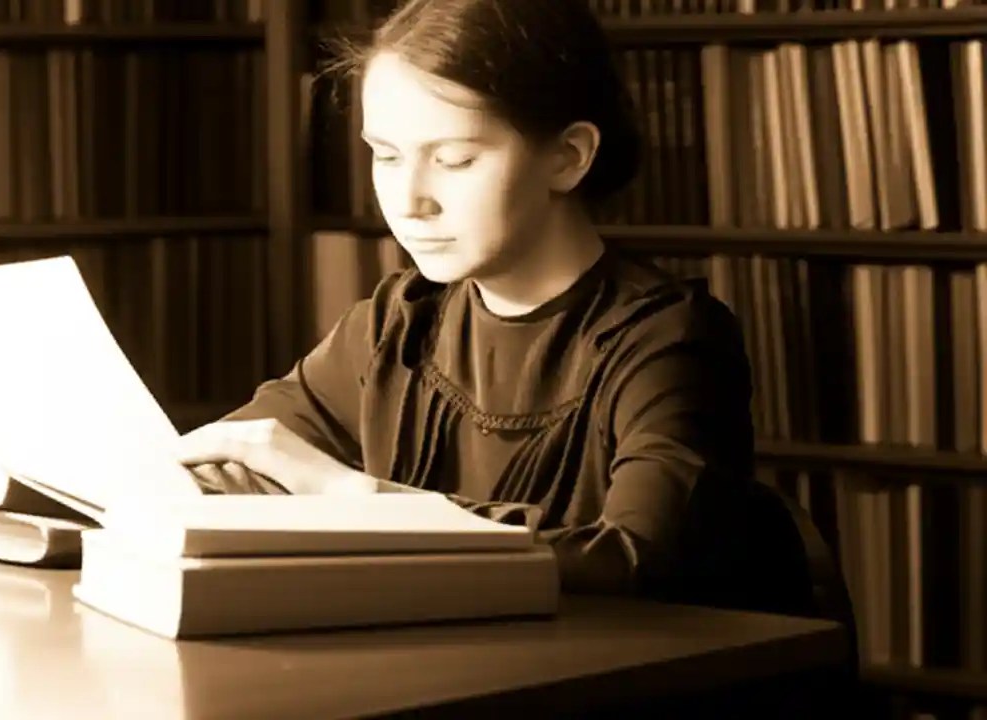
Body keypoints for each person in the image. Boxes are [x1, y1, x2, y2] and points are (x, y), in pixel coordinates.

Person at [176, 0, 762, 613]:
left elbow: (642, 558)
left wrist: (349, 495)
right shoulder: (395, 323)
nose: (409, 201)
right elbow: (234, 454)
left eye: (454, 160)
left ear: (568, 156)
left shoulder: (670, 340)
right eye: (386, 155)